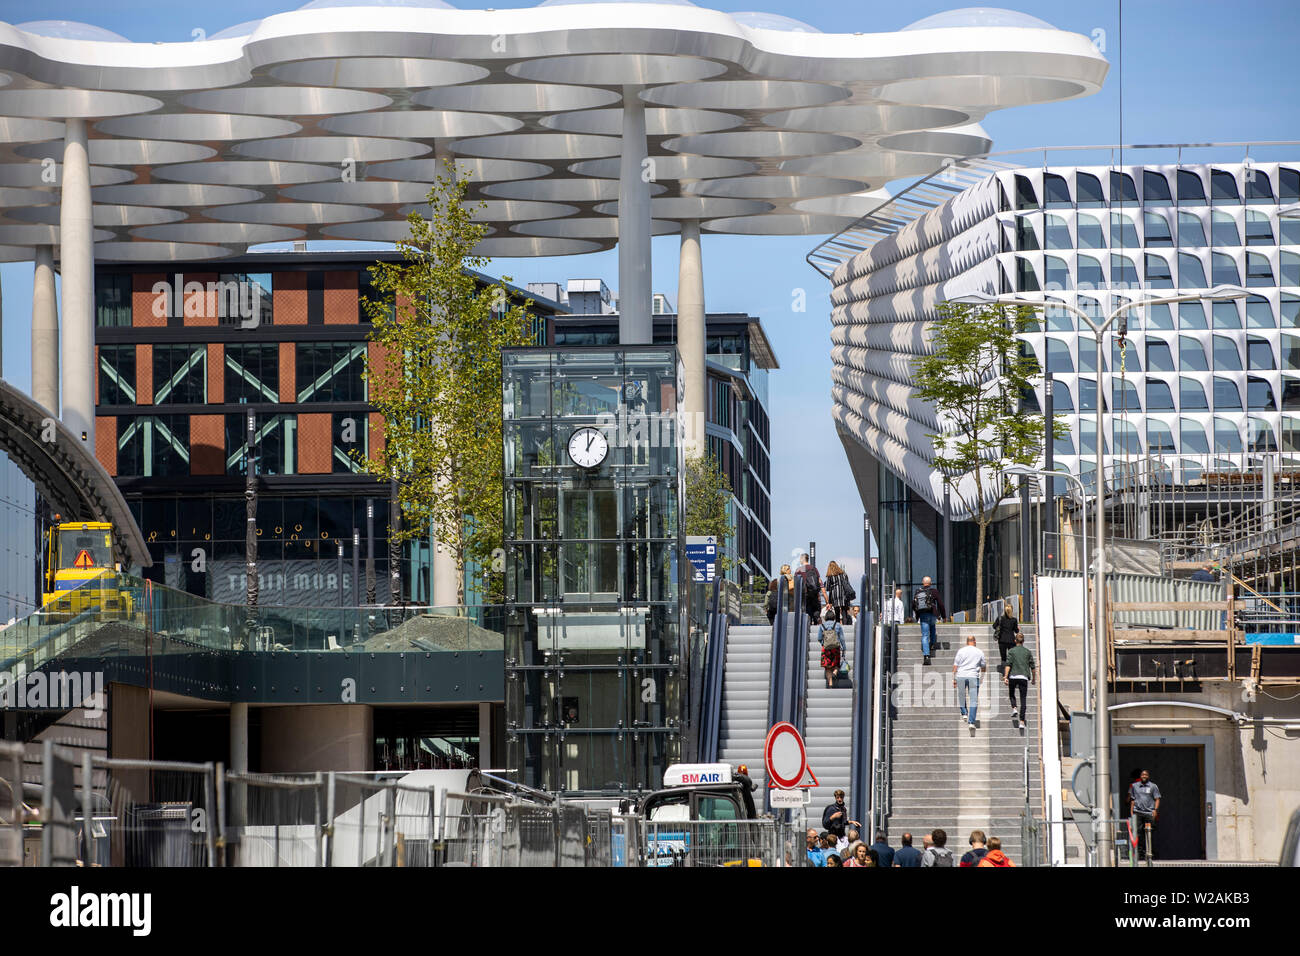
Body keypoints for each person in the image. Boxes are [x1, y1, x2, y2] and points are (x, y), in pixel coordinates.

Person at [1002, 633, 1037, 730]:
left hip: (1013, 676)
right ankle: (1022, 721)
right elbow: (1033, 667)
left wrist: (1005, 676)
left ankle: (1014, 708)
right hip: (1024, 677)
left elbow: (1008, 664)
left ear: (1015, 641)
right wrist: (1033, 678)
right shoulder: (1027, 652)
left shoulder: (1012, 651)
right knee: (1023, 699)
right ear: (1023, 641)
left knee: (1011, 693)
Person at [952, 635, 987, 731]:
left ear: (967, 642)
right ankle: (971, 722)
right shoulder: (979, 652)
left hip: (961, 675)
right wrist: (981, 678)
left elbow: (955, 666)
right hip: (973, 676)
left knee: (962, 695)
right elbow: (983, 666)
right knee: (973, 700)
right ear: (974, 641)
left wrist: (954, 679)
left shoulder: (961, 651)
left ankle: (964, 713)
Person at [911, 575, 947, 663]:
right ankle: (932, 644)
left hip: (923, 615)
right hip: (932, 614)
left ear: (923, 583)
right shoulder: (934, 591)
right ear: (930, 583)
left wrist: (917, 616)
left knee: (925, 635)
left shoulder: (918, 592)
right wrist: (943, 616)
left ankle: (926, 656)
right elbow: (941, 604)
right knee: (932, 628)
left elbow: (913, 605)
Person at [1129, 769, 1162, 861]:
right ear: (1140, 776)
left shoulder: (1153, 786)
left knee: (1149, 832)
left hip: (1149, 813)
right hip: (1137, 812)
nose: (1144, 776)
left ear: (1148, 776)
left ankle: (1150, 852)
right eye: (1142, 774)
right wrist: (1131, 812)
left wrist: (1155, 810)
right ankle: (1140, 853)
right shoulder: (1135, 786)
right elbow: (1132, 799)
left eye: (1146, 774)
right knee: (1138, 833)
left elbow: (1157, 799)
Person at [818, 607, 845, 688]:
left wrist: (824, 643)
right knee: (836, 663)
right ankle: (835, 672)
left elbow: (819, 638)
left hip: (826, 649)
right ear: (834, 617)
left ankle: (830, 683)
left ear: (825, 617)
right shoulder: (837, 625)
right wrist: (844, 648)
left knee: (827, 667)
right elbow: (842, 639)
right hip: (835, 648)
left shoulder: (822, 626)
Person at [824, 560, 856, 625]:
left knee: (837, 612)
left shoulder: (830, 575)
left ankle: (838, 626)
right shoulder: (843, 574)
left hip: (835, 595)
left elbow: (827, 587)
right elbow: (847, 583)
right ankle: (845, 626)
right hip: (843, 594)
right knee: (844, 612)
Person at [800, 554, 822, 624]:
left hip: (805, 594)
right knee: (815, 608)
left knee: (808, 610)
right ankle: (817, 619)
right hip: (814, 592)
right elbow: (819, 581)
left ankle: (808, 625)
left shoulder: (799, 570)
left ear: (802, 559)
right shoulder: (813, 568)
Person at [881, 586, 904, 655]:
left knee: (888, 637)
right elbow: (900, 613)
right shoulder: (900, 602)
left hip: (887, 621)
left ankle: (888, 650)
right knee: (895, 636)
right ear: (899, 594)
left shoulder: (888, 602)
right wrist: (902, 623)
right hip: (896, 620)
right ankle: (894, 649)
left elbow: (885, 611)